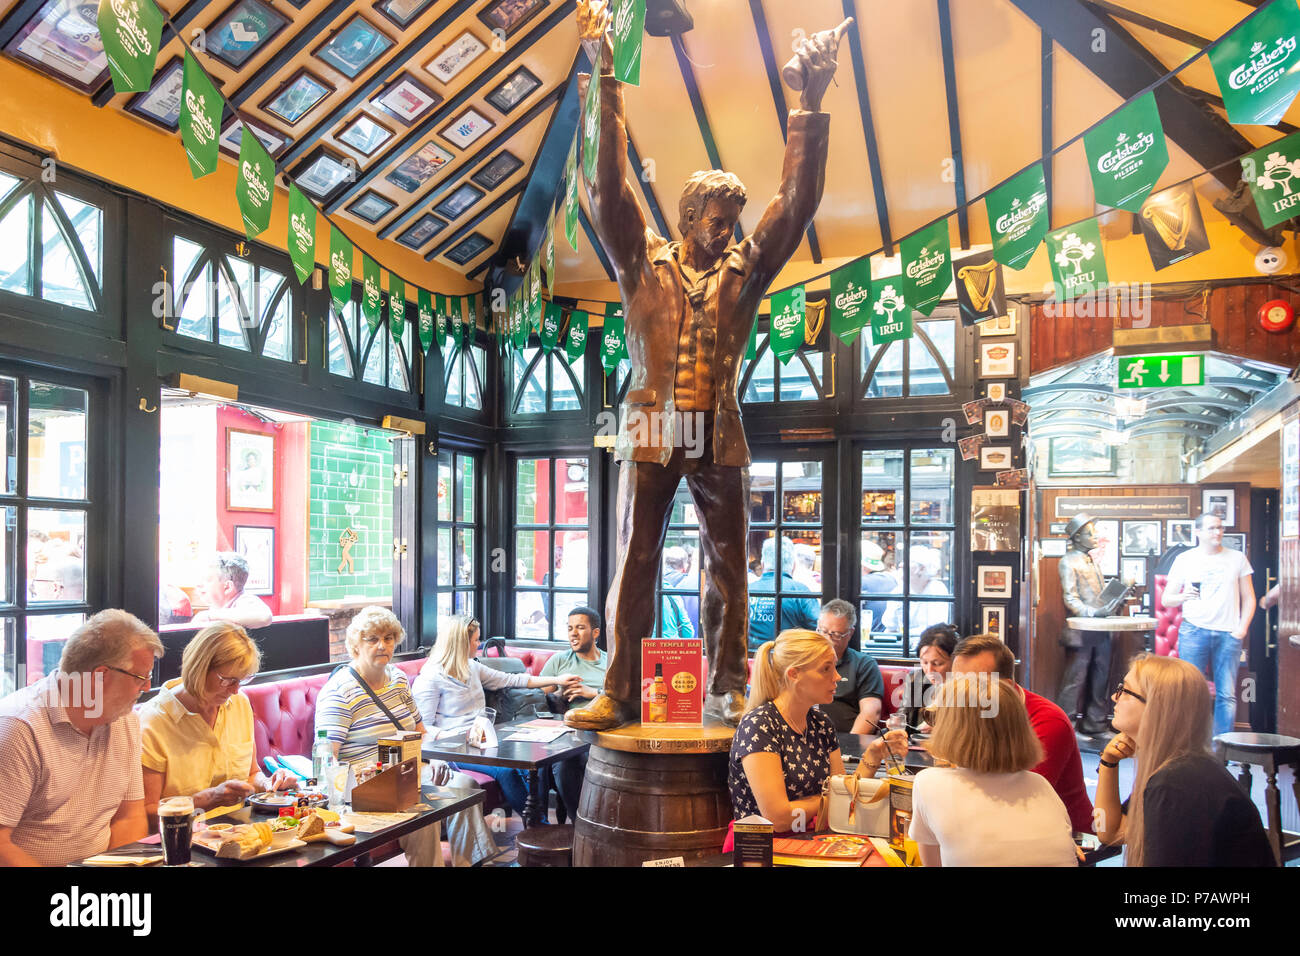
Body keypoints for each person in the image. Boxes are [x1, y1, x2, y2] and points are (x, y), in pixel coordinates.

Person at [567, 2, 842, 729]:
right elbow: (608, 191)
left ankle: (725, 685)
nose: (727, 234)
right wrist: (608, 83)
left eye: (733, 224)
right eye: (716, 223)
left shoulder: (744, 272)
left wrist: (807, 110)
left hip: (716, 431)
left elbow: (796, 203)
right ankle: (621, 688)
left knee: (728, 566)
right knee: (636, 559)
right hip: (656, 427)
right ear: (687, 220)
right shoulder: (641, 265)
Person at [315, 606, 494, 867]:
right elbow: (325, 759)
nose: (382, 646)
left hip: (408, 772)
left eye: (388, 638)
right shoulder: (340, 691)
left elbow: (420, 732)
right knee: (421, 814)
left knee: (464, 787)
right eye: (372, 639)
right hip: (365, 785)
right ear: (356, 645)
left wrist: (434, 759)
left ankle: (473, 864)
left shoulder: (398, 679)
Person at [0, 610, 163, 866]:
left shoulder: (124, 719)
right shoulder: (19, 727)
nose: (145, 688)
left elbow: (129, 816)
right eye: (141, 678)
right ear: (100, 676)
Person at [725, 629, 905, 848]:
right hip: (761, 848)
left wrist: (873, 756)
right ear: (794, 674)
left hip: (814, 839)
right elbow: (778, 819)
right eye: (826, 669)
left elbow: (844, 798)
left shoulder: (821, 723)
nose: (837, 677)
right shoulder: (760, 725)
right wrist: (826, 801)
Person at [1094, 654, 1274, 866]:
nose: (1115, 697)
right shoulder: (1179, 767)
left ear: (1155, 707)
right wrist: (1108, 763)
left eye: (1124, 690)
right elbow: (1110, 832)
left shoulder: (1177, 782)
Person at [413, 615, 579, 819]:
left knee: (535, 765)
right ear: (461, 642)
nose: (479, 644)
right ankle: (539, 827)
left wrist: (557, 679)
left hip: (484, 740)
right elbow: (422, 727)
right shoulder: (431, 677)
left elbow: (513, 679)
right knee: (507, 770)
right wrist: (451, 736)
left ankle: (536, 827)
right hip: (455, 748)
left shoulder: (472, 666)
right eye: (475, 640)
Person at [910, 674, 1078, 867]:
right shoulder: (1040, 784)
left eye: (935, 718)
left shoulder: (929, 783)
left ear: (952, 729)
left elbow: (932, 863)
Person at [139, 623, 296, 824]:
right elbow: (146, 812)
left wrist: (269, 783)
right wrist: (206, 799)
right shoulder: (155, 721)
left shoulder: (239, 704)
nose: (235, 690)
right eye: (228, 680)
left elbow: (251, 773)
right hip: (183, 837)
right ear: (199, 668)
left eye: (242, 680)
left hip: (239, 831)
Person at [951, 634, 1095, 835]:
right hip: (1004, 823)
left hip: (1065, 833)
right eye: (957, 684)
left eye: (975, 685)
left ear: (1007, 687)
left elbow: (1020, 796)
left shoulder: (1049, 721)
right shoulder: (969, 711)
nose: (961, 694)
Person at [1161, 513, 1255, 738]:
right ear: (1198, 532)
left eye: (1220, 528)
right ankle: (1191, 744)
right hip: (1194, 630)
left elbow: (1249, 598)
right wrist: (1183, 596)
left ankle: (1222, 747)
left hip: (1228, 633)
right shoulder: (1185, 559)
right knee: (1190, 691)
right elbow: (1167, 599)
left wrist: (1241, 629)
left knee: (1227, 694)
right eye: (1212, 528)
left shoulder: (1237, 558)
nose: (1218, 532)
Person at [1056, 512, 1127, 738]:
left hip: (1101, 628)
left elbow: (1101, 598)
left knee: (1101, 677)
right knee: (1075, 680)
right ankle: (1066, 725)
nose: (1095, 537)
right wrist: (1092, 613)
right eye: (1089, 533)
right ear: (1077, 538)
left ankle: (1095, 723)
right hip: (1082, 630)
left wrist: (1118, 597)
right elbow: (1070, 598)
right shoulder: (1068, 561)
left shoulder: (1092, 560)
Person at [538, 607, 609, 815]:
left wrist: (592, 692)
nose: (573, 634)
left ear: (595, 633)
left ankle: (590, 823)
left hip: (599, 732)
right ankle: (570, 826)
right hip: (565, 732)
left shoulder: (609, 662)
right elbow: (536, 695)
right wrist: (557, 693)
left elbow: (623, 697)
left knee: (575, 760)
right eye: (570, 628)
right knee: (559, 761)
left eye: (580, 628)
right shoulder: (559, 660)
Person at [814, 599, 884, 734]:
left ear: (850, 633)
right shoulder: (804, 660)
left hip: (846, 739)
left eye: (836, 635)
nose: (827, 639)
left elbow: (871, 713)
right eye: (823, 631)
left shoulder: (864, 664)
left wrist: (848, 747)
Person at [747, 536, 819, 650]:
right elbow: (819, 630)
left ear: (763, 564)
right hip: (789, 662)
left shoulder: (747, 591)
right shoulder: (801, 591)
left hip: (752, 663)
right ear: (794, 565)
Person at [882, 546, 951, 649]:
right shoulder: (899, 590)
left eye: (908, 561)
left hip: (929, 648)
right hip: (902, 648)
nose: (901, 564)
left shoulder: (937, 589)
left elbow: (935, 630)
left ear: (922, 568)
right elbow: (890, 626)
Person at [900, 623, 958, 733]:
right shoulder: (915, 678)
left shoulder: (966, 686)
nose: (929, 670)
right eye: (924, 662)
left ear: (954, 659)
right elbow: (903, 715)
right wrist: (897, 723)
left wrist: (942, 727)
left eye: (937, 663)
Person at [191, 552, 272, 629]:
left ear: (227, 587)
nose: (198, 584)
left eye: (207, 580)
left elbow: (264, 617)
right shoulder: (217, 606)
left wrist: (209, 616)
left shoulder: (243, 600)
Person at [860, 540, 898, 633]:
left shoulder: (862, 583)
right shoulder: (891, 580)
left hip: (865, 640)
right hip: (886, 639)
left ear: (863, 566)